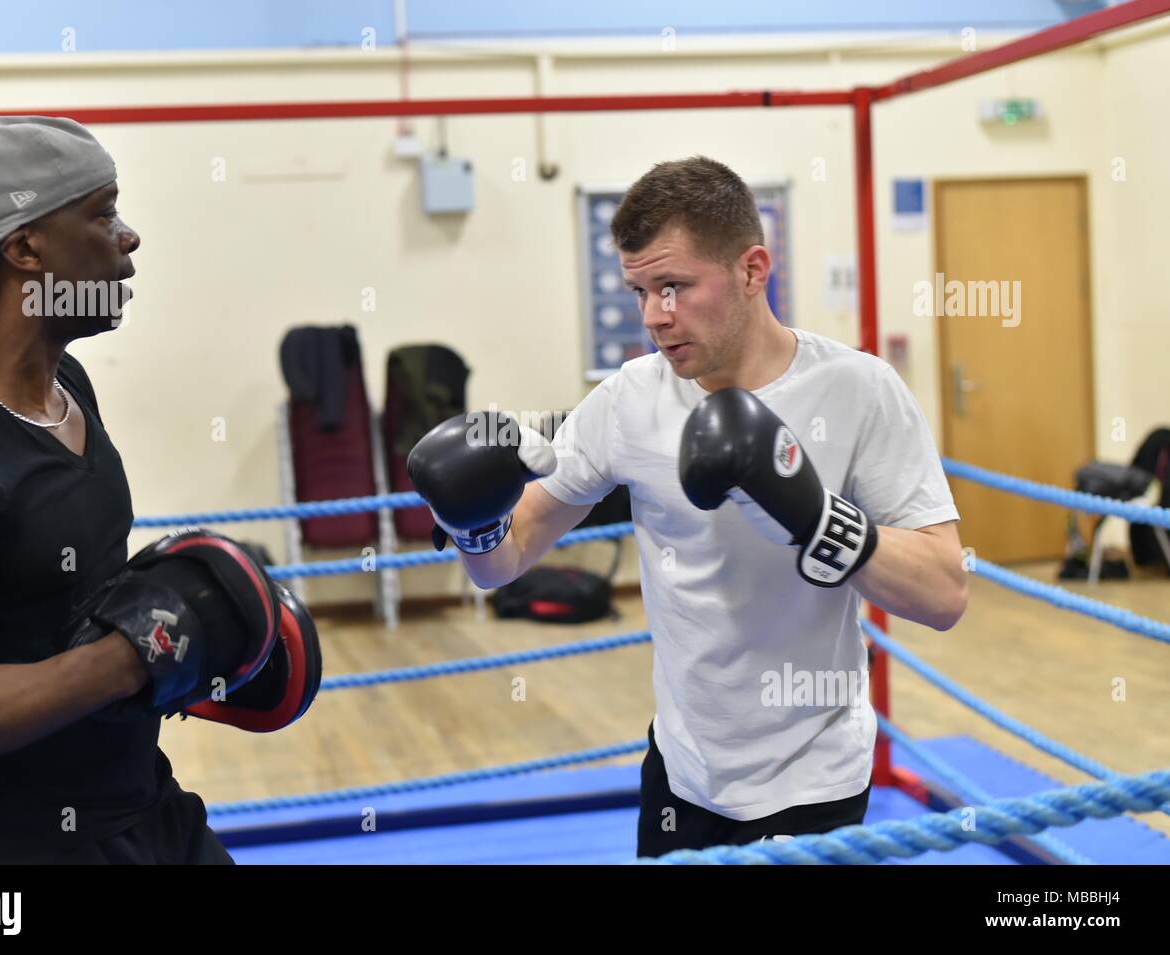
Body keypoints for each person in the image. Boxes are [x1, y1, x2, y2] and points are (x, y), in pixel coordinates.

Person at [409, 156, 968, 858]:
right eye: (640, 290)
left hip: (816, 779)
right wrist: (476, 520)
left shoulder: (859, 391)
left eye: (673, 287)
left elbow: (945, 591)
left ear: (752, 269)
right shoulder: (628, 399)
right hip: (681, 775)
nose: (653, 317)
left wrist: (817, 519)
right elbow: (504, 561)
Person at [0, 115, 309, 865]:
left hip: (139, 806)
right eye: (102, 213)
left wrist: (179, 651)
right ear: (24, 247)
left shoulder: (65, 386)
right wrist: (132, 657)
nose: (129, 237)